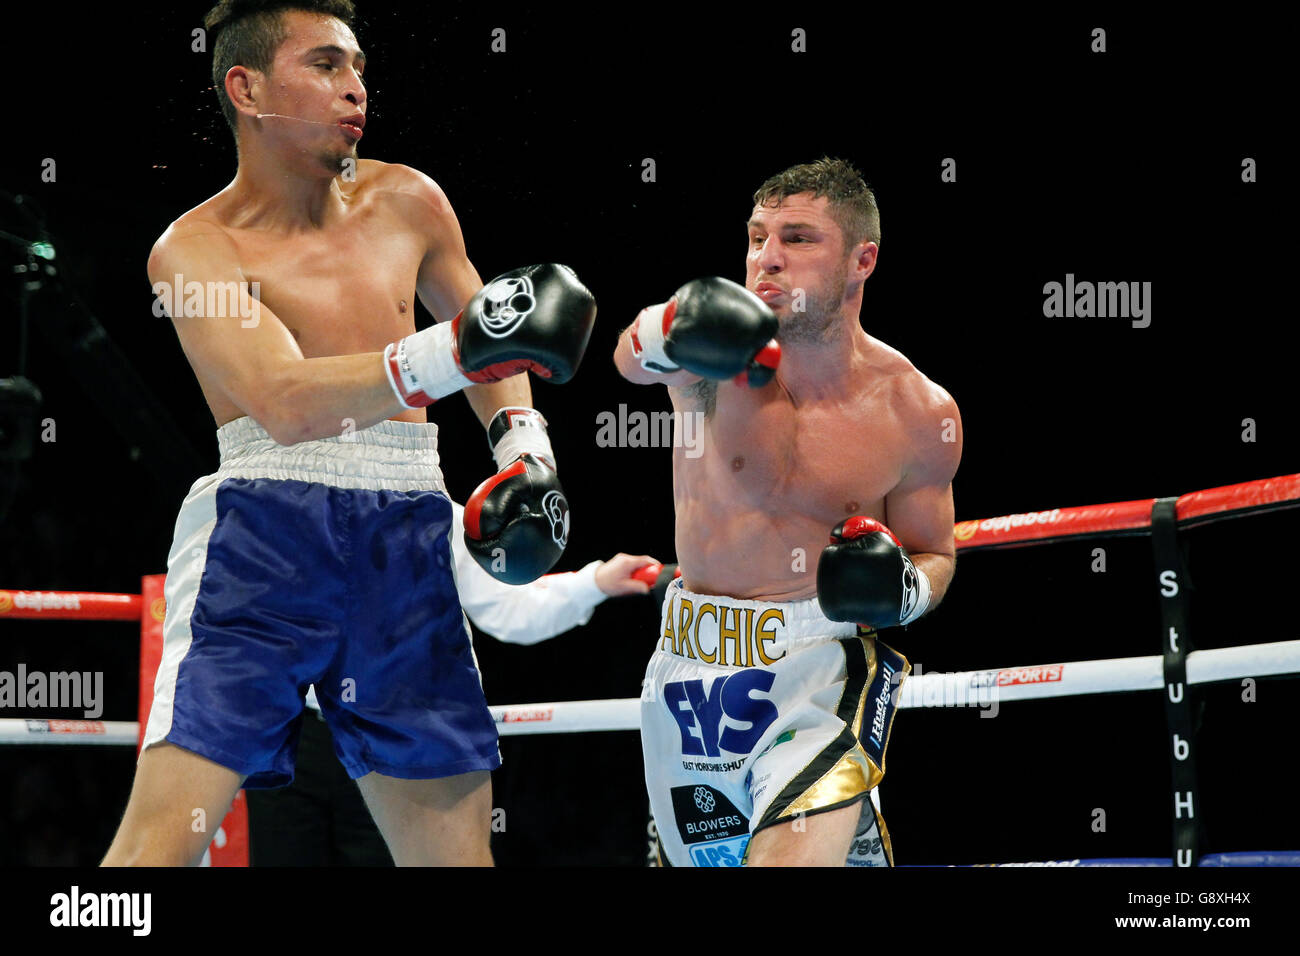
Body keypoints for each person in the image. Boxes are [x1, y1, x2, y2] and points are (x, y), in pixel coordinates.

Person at [103, 0, 596, 867]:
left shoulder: (410, 201)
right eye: (326, 65)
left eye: (359, 67)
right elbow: (285, 401)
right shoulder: (193, 251)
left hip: (407, 528)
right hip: (260, 541)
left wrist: (527, 451)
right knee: (155, 857)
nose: (355, 88)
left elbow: (489, 337)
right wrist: (461, 347)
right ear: (247, 88)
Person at [614, 157, 962, 867]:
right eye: (756, 237)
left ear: (862, 259)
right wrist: (667, 321)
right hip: (688, 664)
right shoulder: (715, 358)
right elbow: (630, 358)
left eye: (798, 238)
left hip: (818, 664)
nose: (766, 259)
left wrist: (905, 589)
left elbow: (937, 552)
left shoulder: (918, 411)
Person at [249, 507, 661, 866]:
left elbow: (508, 604)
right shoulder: (269, 497)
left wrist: (595, 583)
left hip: (392, 732)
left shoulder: (426, 502)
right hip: (291, 733)